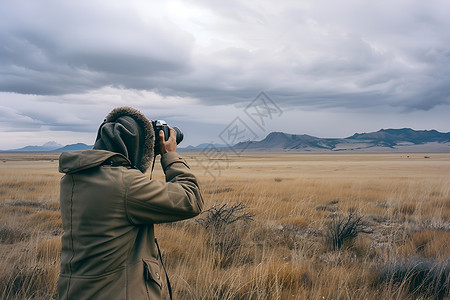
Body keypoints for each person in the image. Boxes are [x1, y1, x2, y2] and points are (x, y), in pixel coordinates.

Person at [58, 107, 204, 299]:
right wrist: (170, 155)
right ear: (137, 148)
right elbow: (190, 199)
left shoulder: (72, 179)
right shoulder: (124, 185)